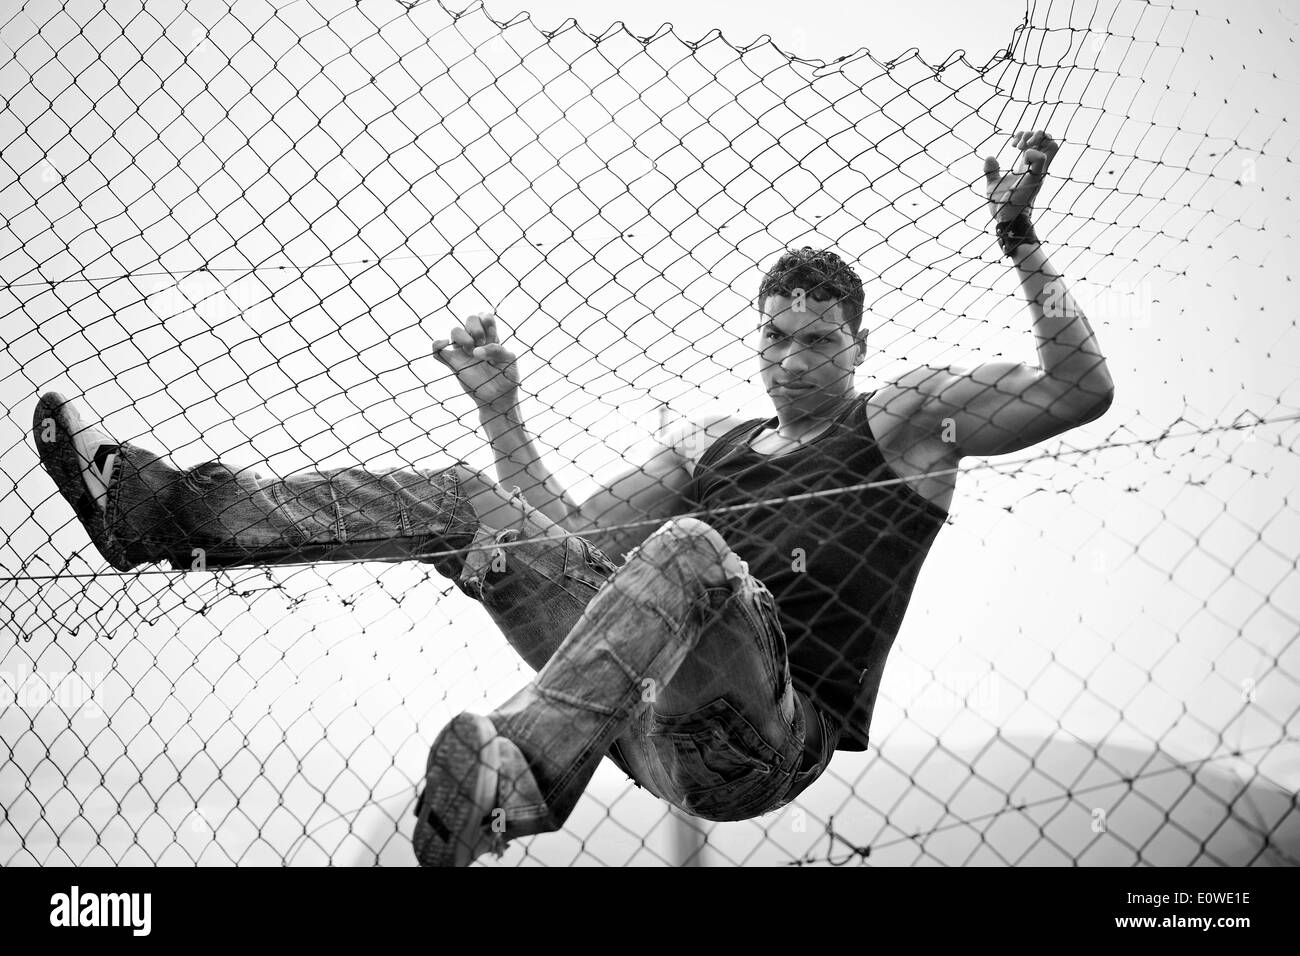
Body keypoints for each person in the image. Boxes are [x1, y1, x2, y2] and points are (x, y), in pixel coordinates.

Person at [33, 130, 1113, 866]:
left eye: (816, 343)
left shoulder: (906, 423)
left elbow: (1079, 388)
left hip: (760, 741)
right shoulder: (711, 444)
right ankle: (161, 513)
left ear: (858, 343)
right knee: (468, 501)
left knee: (689, 549)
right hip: (629, 716)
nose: (790, 363)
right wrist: (504, 412)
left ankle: (517, 782)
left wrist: (1019, 238)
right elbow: (575, 547)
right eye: (773, 338)